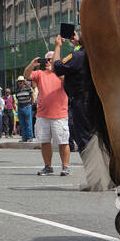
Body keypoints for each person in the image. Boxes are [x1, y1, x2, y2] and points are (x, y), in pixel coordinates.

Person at [25, 42, 71, 176]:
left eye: (51, 59)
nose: (48, 62)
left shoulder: (62, 73)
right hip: (42, 115)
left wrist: (55, 70)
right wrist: (32, 64)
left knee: (63, 142)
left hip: (59, 115)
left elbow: (65, 81)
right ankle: (48, 166)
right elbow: (27, 75)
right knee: (44, 142)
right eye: (47, 60)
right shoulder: (40, 74)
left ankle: (65, 166)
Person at [53, 28, 93, 160]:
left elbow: (56, 67)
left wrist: (58, 46)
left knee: (84, 138)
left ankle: (94, 171)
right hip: (95, 99)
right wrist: (79, 43)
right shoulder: (96, 54)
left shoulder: (78, 56)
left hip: (80, 101)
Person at [14, 77, 34, 141]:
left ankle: (30, 137)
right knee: (22, 123)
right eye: (19, 81)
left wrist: (32, 103)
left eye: (21, 81)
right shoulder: (17, 90)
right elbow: (17, 98)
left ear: (23, 82)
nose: (20, 82)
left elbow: (32, 96)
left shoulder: (28, 88)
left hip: (27, 106)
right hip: (20, 107)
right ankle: (24, 137)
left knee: (28, 123)